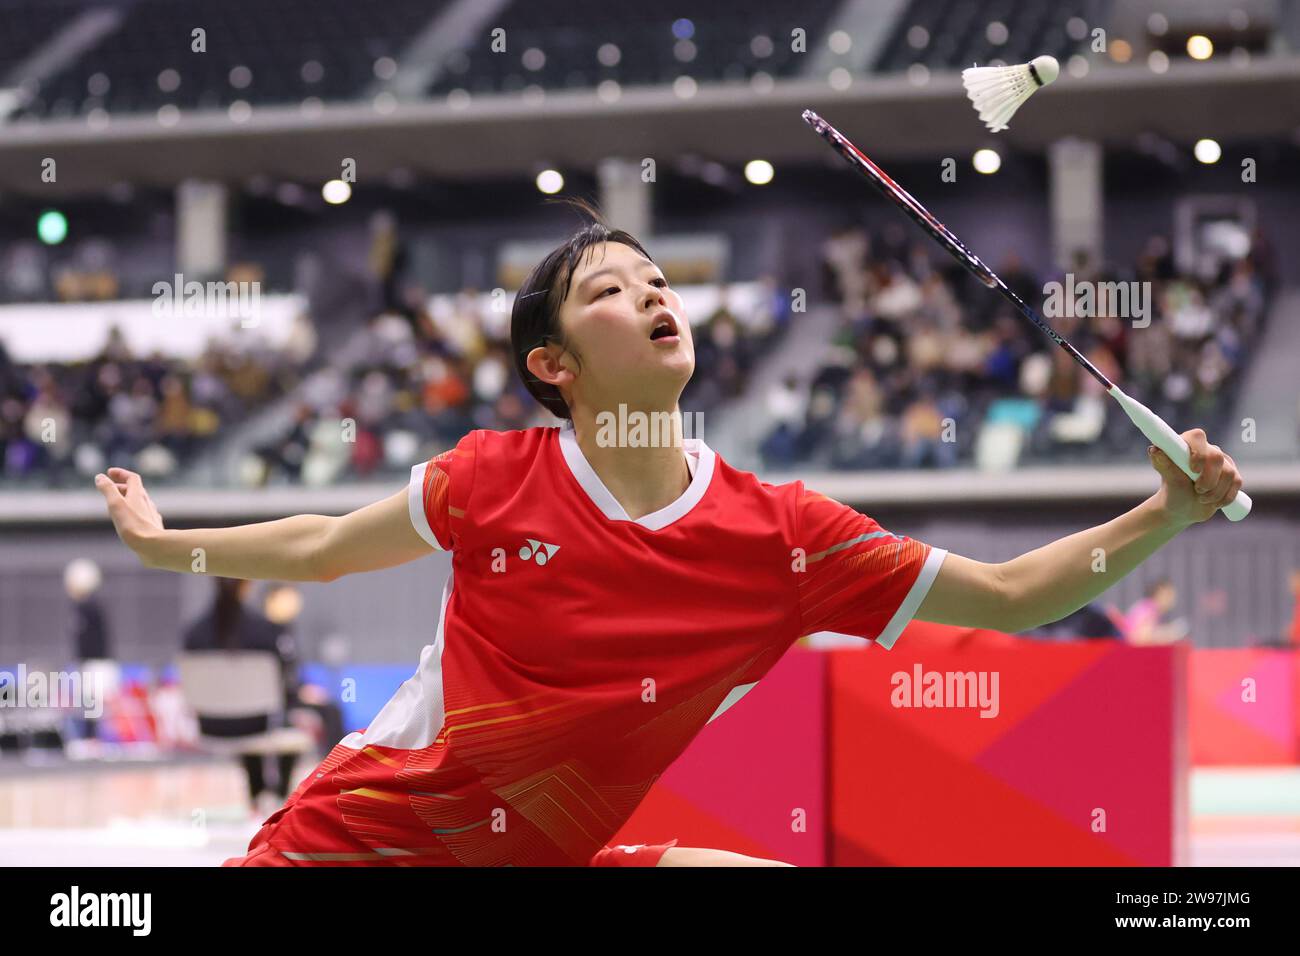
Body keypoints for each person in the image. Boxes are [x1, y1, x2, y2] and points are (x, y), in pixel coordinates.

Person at [95, 199, 1245, 867]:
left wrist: (1166, 510)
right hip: (358, 846)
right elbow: (322, 545)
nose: (653, 296)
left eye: (659, 281)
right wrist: (170, 543)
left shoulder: (778, 533)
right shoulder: (491, 477)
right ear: (553, 365)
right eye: (610, 291)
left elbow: (1007, 593)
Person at [182, 577, 301, 816]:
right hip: (257, 725)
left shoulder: (193, 633)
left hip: (211, 725)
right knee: (282, 723)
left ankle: (256, 799)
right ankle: (278, 798)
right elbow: (284, 685)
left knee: (251, 719)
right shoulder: (266, 631)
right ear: (247, 585)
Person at [1118, 578, 1188, 645]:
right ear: (1161, 592)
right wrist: (1170, 633)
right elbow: (1141, 637)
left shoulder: (1146, 606)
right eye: (1169, 594)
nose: (1173, 599)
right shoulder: (1149, 609)